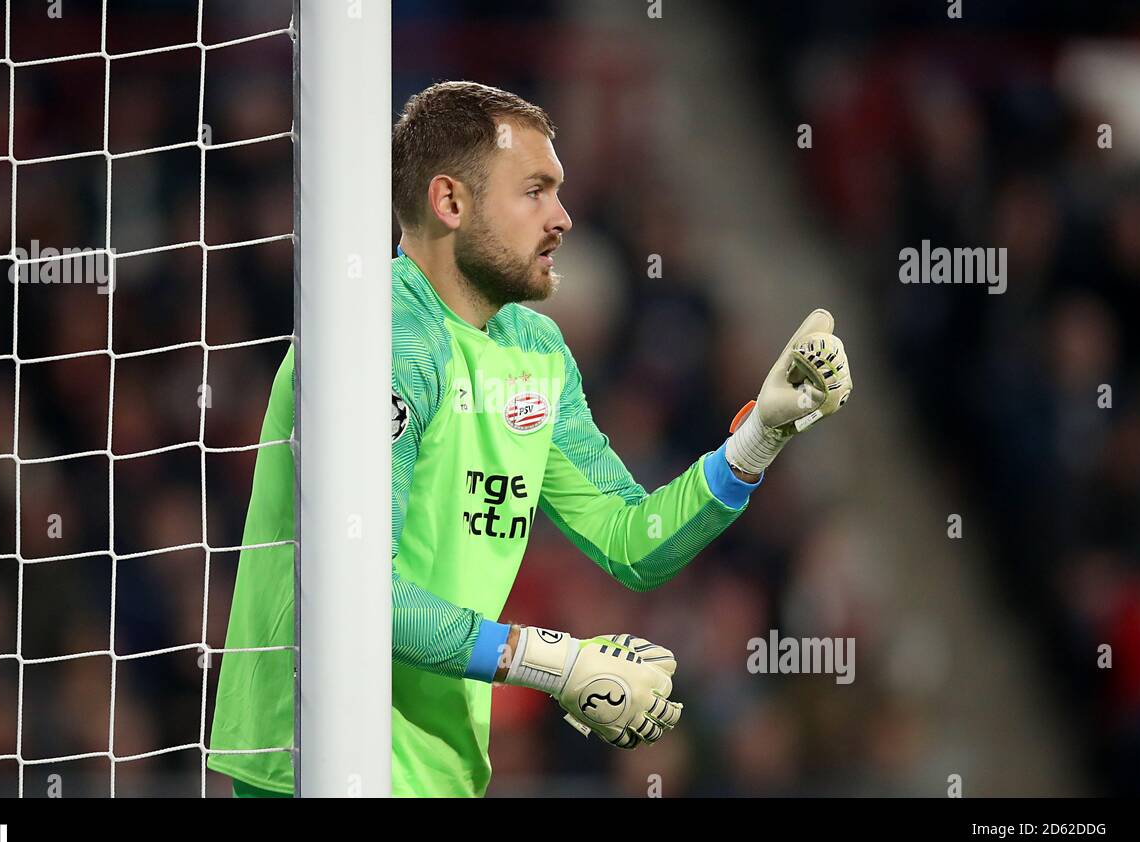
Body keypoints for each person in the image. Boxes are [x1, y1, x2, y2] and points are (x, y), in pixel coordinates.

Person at [208, 80, 853, 798]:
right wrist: (559, 662)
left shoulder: (536, 349)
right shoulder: (377, 334)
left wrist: (758, 437)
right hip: (312, 755)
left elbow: (630, 539)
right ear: (450, 202)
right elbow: (357, 591)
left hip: (436, 767)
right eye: (535, 191)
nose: (564, 217)